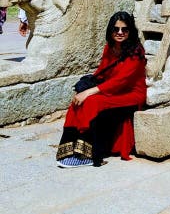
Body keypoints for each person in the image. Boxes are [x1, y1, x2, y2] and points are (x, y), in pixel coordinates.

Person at [56, 11, 147, 168]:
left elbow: (121, 81)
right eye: (115, 29)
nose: (119, 33)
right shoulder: (110, 47)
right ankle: (71, 150)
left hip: (131, 93)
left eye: (124, 29)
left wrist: (90, 92)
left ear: (130, 31)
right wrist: (83, 90)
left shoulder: (136, 52)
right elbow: (101, 72)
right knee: (77, 102)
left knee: (93, 102)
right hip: (111, 89)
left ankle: (91, 155)